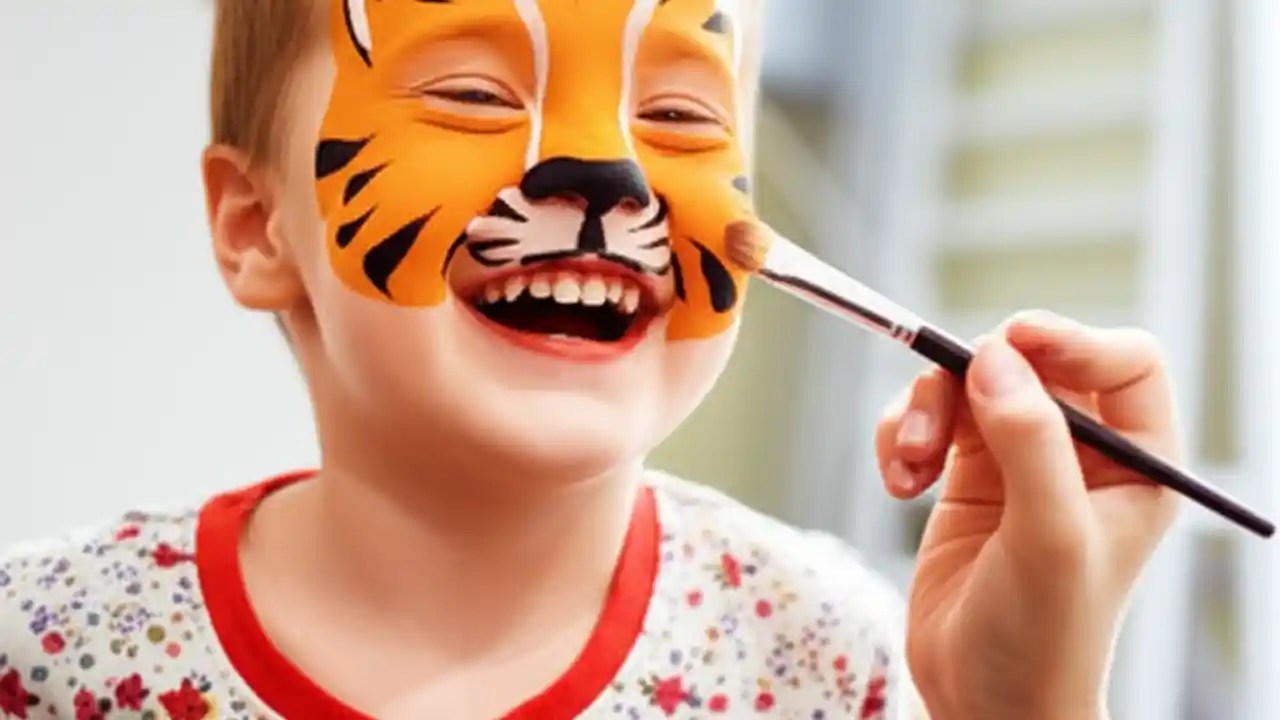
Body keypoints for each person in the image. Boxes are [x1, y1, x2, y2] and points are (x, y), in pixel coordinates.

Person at [0, 1, 1181, 717]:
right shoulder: (42, 653)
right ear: (257, 226)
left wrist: (1030, 710)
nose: (601, 176)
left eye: (677, 118)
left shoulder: (830, 657)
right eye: (470, 93)